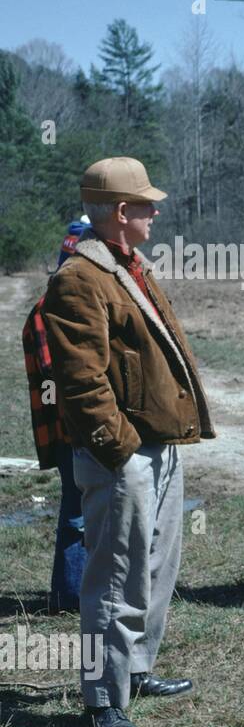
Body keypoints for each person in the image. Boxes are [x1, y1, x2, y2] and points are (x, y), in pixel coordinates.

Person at [42, 158, 215, 727]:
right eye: (145, 203)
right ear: (120, 213)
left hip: (157, 447)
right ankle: (101, 698)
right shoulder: (78, 278)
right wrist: (120, 450)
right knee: (114, 578)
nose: (155, 210)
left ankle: (135, 671)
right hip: (123, 455)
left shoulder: (128, 265)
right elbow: (82, 382)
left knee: (155, 566)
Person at [22, 216, 91, 612]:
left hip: (78, 428)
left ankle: (80, 591)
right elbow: (56, 371)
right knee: (77, 514)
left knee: (86, 512)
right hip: (69, 431)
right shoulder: (48, 309)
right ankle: (69, 597)